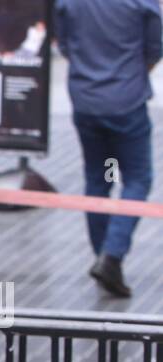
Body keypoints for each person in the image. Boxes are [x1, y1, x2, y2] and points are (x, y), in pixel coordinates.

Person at [54, 0, 161, 298]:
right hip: (126, 102)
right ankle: (111, 256)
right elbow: (155, 45)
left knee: (99, 179)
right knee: (138, 179)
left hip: (87, 101)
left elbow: (63, 43)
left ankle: (103, 256)